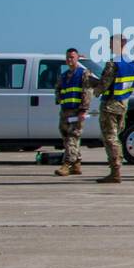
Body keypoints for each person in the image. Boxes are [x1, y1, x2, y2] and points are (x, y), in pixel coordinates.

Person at [93, 34, 134, 184]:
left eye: (111, 44)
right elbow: (133, 83)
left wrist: (96, 89)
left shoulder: (113, 63)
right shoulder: (131, 63)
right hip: (122, 104)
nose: (109, 46)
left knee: (110, 138)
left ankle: (115, 170)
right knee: (116, 137)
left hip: (110, 105)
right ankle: (116, 169)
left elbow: (104, 83)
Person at [53, 48, 93, 176]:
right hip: (65, 111)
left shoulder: (83, 74)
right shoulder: (64, 76)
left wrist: (83, 110)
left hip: (77, 111)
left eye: (72, 57)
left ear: (77, 58)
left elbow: (87, 92)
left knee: (72, 137)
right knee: (67, 138)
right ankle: (76, 164)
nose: (70, 60)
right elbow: (58, 89)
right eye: (68, 57)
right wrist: (59, 99)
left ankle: (67, 164)